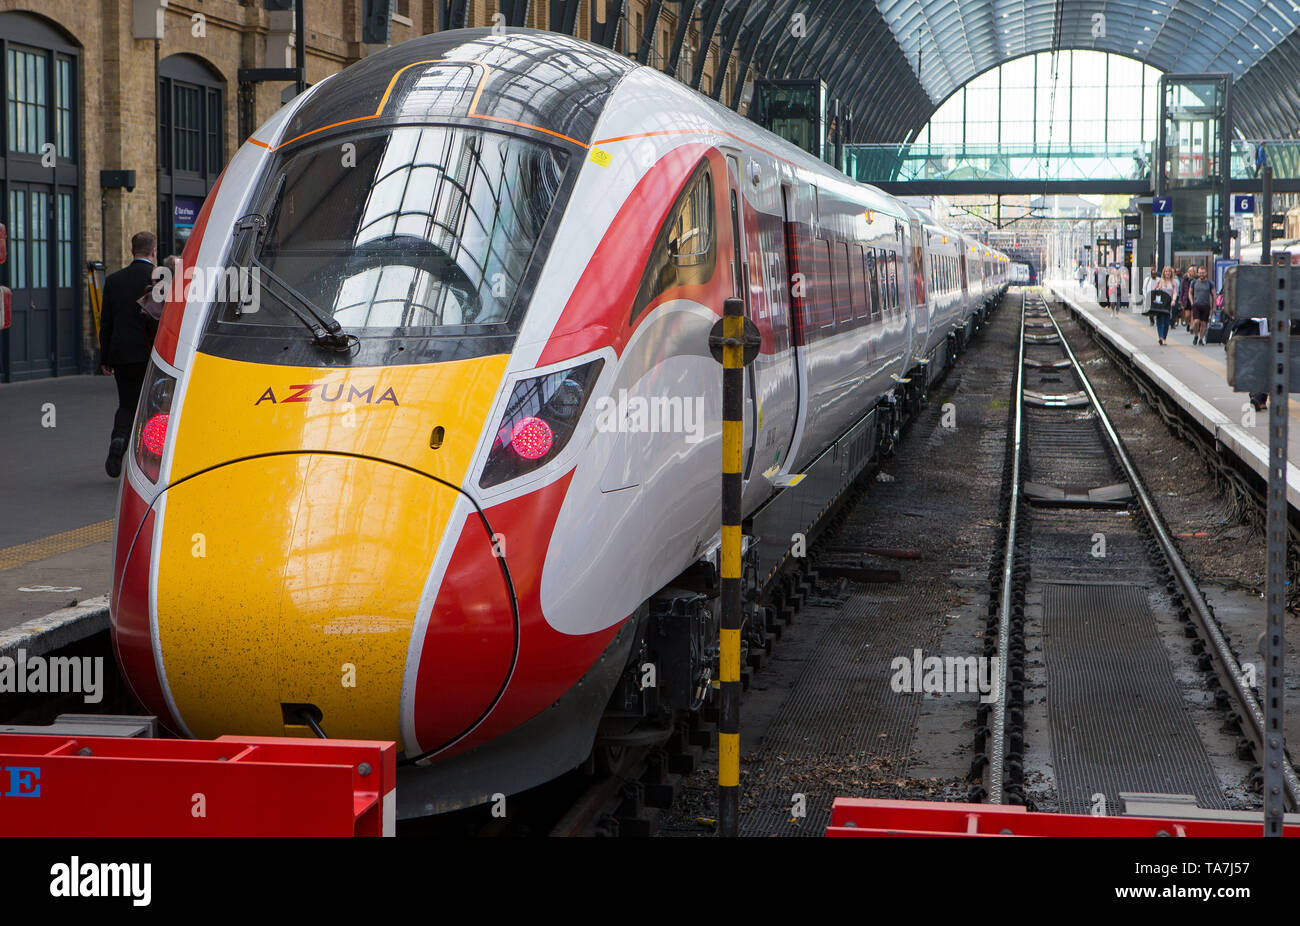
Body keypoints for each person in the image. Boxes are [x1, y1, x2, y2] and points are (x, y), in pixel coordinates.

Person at [100, 232, 158, 478]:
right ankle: (149, 460)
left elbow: (106, 323)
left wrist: (105, 358)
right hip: (151, 355)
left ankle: (119, 440)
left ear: (131, 250)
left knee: (126, 405)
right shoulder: (161, 280)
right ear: (153, 252)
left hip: (122, 353)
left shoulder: (114, 281)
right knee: (154, 407)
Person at [1148, 266, 1178, 345]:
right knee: (1160, 320)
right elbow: (1154, 290)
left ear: (1171, 273)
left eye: (1169, 271)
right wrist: (1157, 289)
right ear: (1163, 273)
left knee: (1166, 320)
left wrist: (1173, 300)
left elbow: (1175, 292)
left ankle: (1164, 337)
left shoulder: (1174, 282)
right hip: (1160, 303)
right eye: (1166, 271)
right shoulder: (1160, 281)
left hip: (1168, 303)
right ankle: (1160, 337)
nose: (1167, 273)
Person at [1188, 265, 1216, 345]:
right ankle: (1196, 335)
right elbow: (1190, 292)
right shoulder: (1194, 282)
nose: (1201, 274)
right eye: (1200, 273)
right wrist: (1192, 302)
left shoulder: (1210, 283)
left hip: (1206, 305)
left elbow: (1214, 295)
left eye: (1203, 273)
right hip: (1196, 304)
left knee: (1204, 323)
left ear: (1206, 273)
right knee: (1196, 321)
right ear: (1198, 273)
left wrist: (1214, 307)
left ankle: (1201, 338)